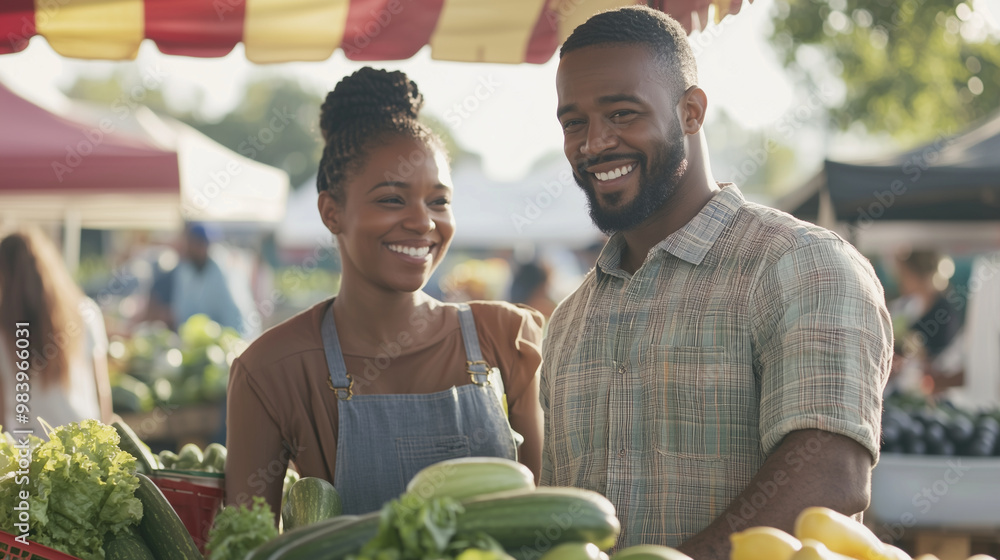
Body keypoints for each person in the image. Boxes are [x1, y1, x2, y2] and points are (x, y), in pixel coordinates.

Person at [540, 7, 893, 558]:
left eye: (622, 113)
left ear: (691, 111)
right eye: (573, 122)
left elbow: (829, 482)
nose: (594, 143)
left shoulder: (802, 267)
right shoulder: (568, 322)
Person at [225, 67, 544, 522]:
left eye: (439, 201)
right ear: (332, 212)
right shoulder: (272, 371)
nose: (423, 222)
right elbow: (246, 548)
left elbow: (544, 520)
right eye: (392, 199)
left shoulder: (506, 337)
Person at [0, 227, 113, 436]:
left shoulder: (4, 329)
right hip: (82, 444)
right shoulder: (84, 313)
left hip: (27, 451)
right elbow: (102, 391)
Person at [145, 223, 245, 335]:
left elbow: (231, 313)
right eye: (193, 243)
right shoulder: (179, 273)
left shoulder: (221, 273)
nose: (197, 248)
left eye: (201, 244)